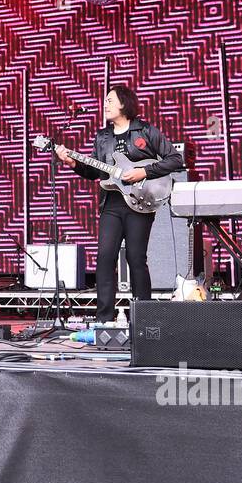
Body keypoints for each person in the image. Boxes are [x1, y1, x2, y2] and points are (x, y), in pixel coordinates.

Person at [55, 85, 184, 320]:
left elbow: (175, 159)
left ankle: (144, 316)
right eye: (105, 101)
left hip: (140, 202)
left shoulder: (145, 131)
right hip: (112, 203)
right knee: (105, 257)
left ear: (124, 104)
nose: (105, 105)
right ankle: (104, 317)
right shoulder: (103, 137)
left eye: (110, 101)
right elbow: (94, 171)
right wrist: (73, 163)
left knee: (136, 257)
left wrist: (143, 172)